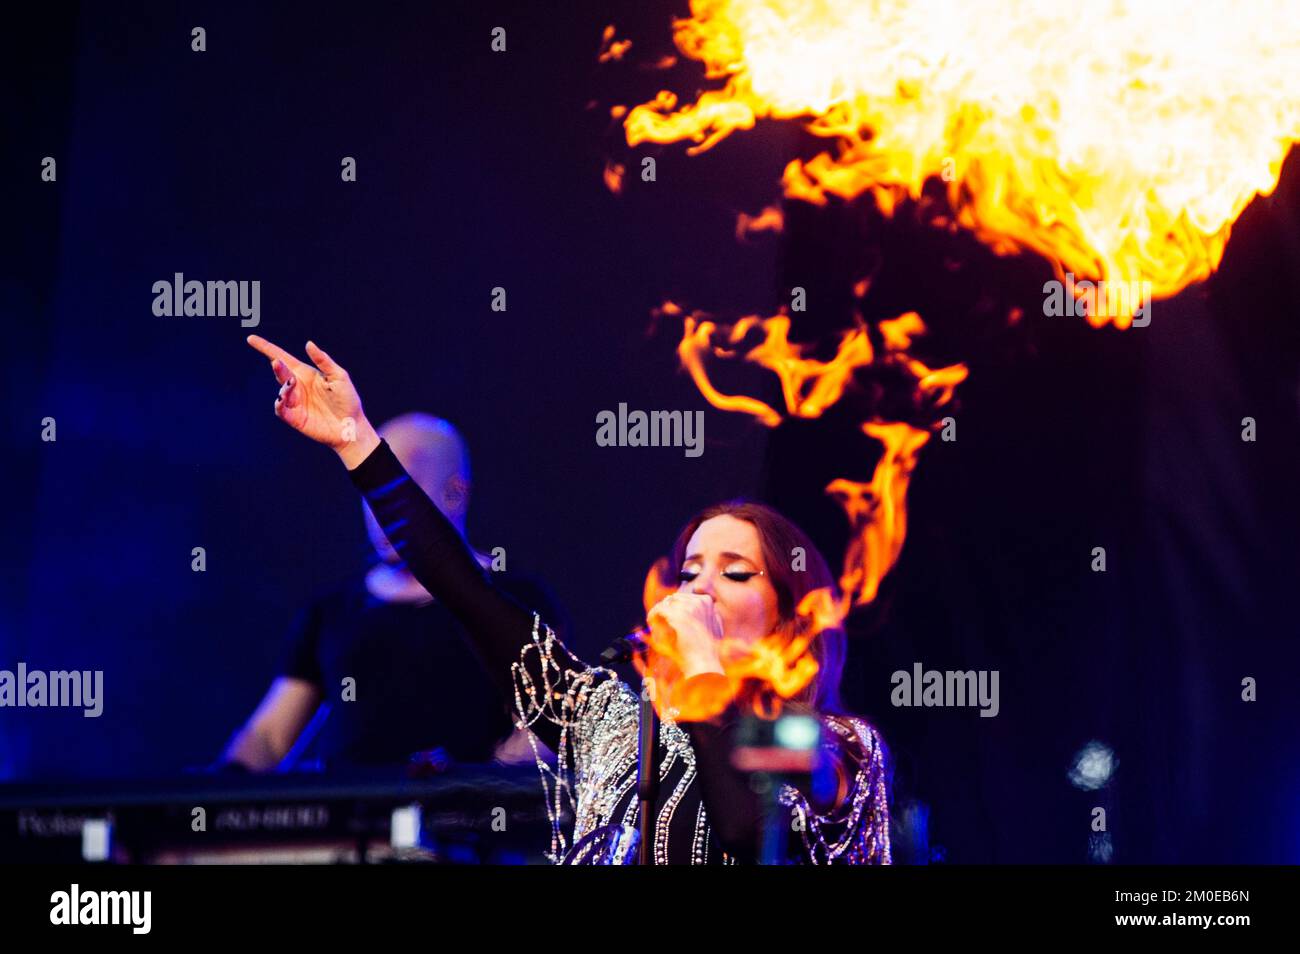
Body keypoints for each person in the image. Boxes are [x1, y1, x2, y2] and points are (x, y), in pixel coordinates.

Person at [245, 334, 891, 864]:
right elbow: (467, 593)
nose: (701, 587)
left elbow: (746, 832)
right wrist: (358, 444)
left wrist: (702, 672)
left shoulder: (838, 746)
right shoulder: (614, 728)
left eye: (736, 572)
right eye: (691, 569)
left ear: (791, 615)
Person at [222, 412, 561, 771]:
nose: (377, 510)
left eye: (397, 491)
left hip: (469, 821)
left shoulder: (516, 599)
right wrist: (213, 794)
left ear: (455, 493)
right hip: (349, 822)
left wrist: (488, 785)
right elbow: (269, 736)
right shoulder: (331, 613)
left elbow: (547, 727)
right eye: (369, 491)